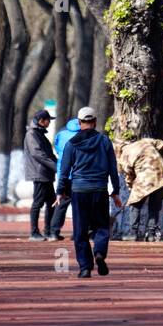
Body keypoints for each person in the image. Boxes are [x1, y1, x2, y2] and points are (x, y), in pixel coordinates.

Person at [56, 107, 123, 279]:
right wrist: (115, 191)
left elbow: (64, 170)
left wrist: (60, 191)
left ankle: (85, 268)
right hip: (100, 190)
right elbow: (112, 169)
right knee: (101, 226)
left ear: (79, 123)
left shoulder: (72, 144)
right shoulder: (104, 141)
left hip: (79, 191)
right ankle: (99, 253)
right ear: (94, 122)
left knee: (80, 231)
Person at [116, 136, 163, 242]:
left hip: (145, 178)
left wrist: (130, 186)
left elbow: (128, 174)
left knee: (135, 204)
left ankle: (133, 234)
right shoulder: (146, 141)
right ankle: (151, 234)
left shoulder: (125, 154)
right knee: (154, 205)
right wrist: (162, 159)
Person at [23, 110, 59, 241]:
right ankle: (34, 232)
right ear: (41, 121)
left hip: (46, 173)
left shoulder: (40, 134)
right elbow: (38, 154)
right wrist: (56, 167)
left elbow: (49, 154)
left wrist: (60, 165)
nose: (49, 122)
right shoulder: (32, 134)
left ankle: (48, 230)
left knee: (51, 202)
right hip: (39, 173)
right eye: (48, 120)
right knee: (38, 203)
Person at [48, 116, 81, 240]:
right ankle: (78, 233)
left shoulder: (61, 134)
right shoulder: (84, 136)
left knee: (62, 202)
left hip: (64, 173)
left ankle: (53, 232)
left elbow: (57, 149)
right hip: (79, 174)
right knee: (79, 205)